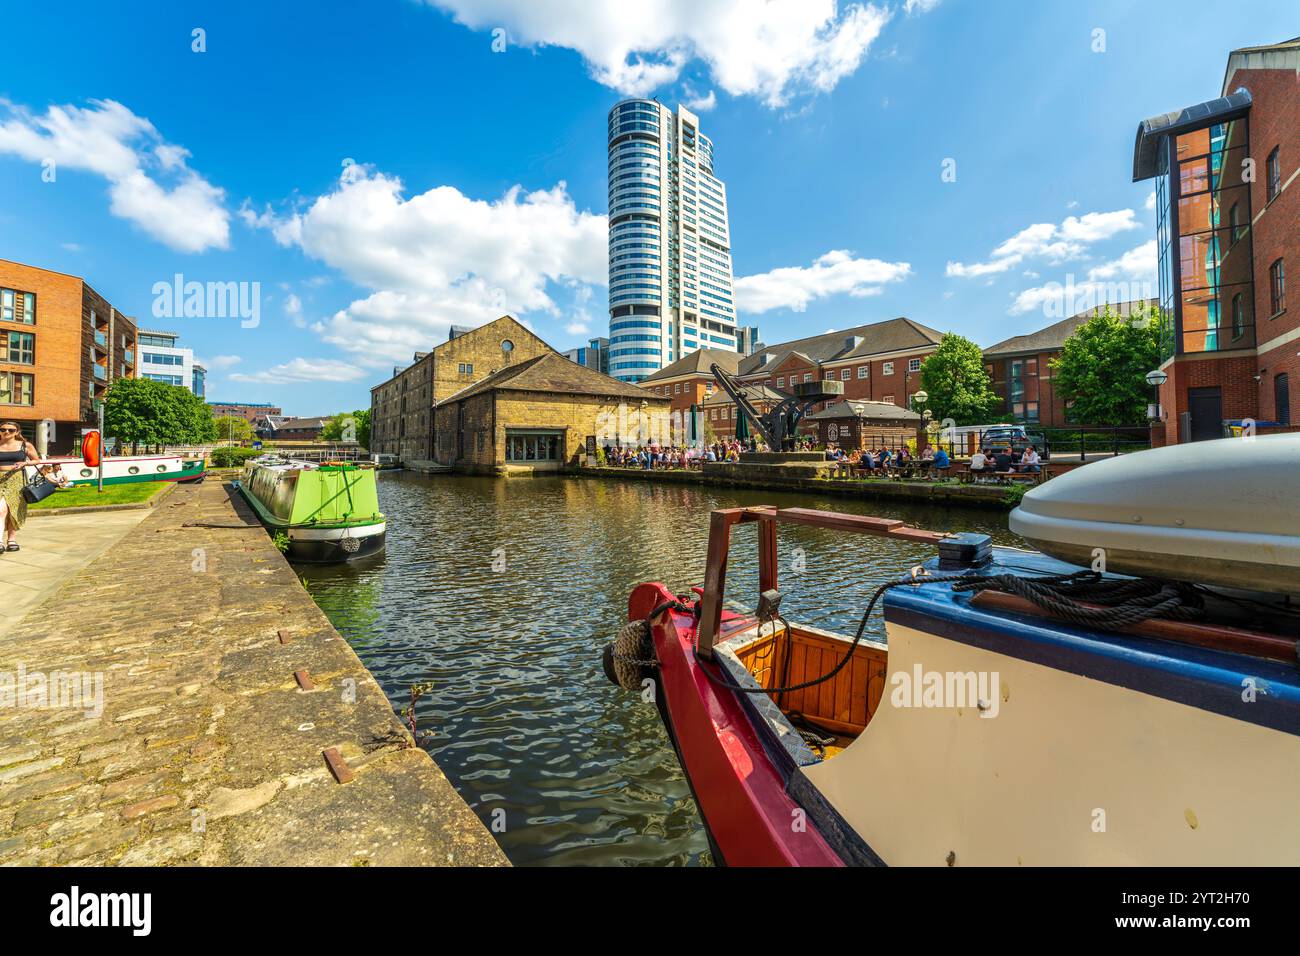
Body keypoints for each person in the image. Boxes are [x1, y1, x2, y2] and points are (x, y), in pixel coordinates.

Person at [0, 422, 39, 553]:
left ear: (17, 432)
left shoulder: (25, 445)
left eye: (11, 430)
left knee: (13, 509)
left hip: (16, 480)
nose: (6, 432)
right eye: (3, 429)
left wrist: (25, 463)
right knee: (1, 510)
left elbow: (36, 460)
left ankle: (11, 539)